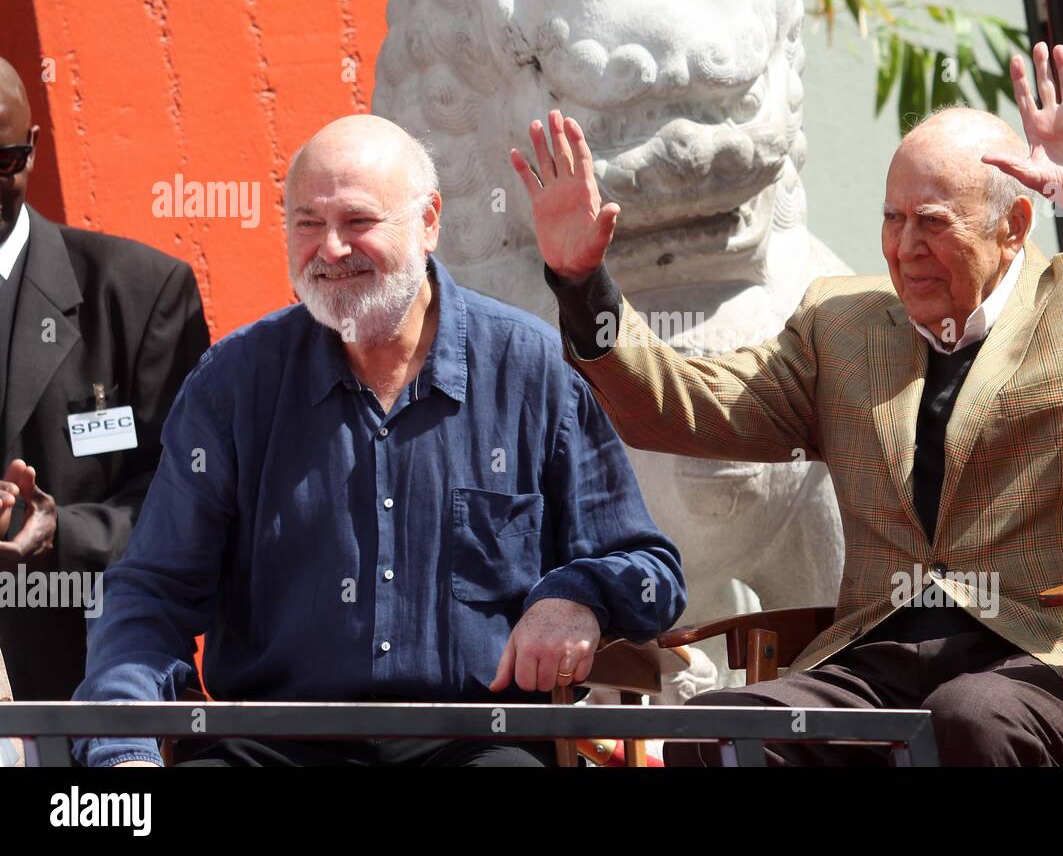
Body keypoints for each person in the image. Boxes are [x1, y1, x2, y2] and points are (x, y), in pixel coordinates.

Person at [513, 42, 1063, 766]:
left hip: (1058, 662)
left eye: (933, 221)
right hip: (880, 663)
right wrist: (582, 286)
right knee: (715, 730)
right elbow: (687, 407)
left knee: (968, 716)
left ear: (1014, 226)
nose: (905, 246)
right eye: (893, 219)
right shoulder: (843, 325)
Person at [72, 114, 685, 768]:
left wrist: (578, 596)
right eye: (308, 224)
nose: (331, 249)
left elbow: (649, 568)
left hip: (480, 743)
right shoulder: (233, 385)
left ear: (429, 221)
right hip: (274, 745)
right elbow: (151, 592)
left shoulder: (529, 370)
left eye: (358, 221)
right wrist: (123, 752)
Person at [0, 56, 209, 700]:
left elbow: (190, 497)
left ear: (33, 149)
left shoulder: (141, 294)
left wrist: (62, 533)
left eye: (1, 161)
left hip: (85, 681)